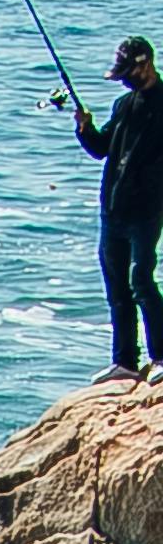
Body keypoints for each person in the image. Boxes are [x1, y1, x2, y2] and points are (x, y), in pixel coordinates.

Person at [71, 36, 163, 376]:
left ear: (145, 64)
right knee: (117, 289)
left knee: (142, 280)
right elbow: (101, 148)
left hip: (146, 211)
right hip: (113, 210)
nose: (124, 80)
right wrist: (84, 127)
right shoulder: (124, 104)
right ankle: (124, 362)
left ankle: (161, 356)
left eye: (128, 73)